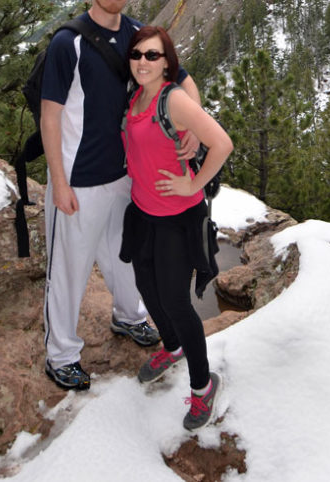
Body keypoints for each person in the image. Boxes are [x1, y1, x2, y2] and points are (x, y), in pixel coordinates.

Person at [40, 0, 201, 391]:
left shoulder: (137, 36)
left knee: (125, 256)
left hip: (125, 176)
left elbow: (183, 79)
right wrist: (58, 182)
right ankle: (61, 355)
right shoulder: (68, 43)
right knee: (69, 270)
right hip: (78, 179)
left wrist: (193, 125)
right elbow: (50, 116)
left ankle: (129, 317)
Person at [120, 25, 232, 430]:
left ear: (167, 62)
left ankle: (203, 387)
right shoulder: (136, 96)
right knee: (147, 288)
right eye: (137, 55)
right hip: (143, 213)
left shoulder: (173, 100)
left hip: (177, 218)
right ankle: (173, 347)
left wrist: (193, 183)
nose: (143, 62)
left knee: (175, 302)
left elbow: (222, 143)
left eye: (152, 55)